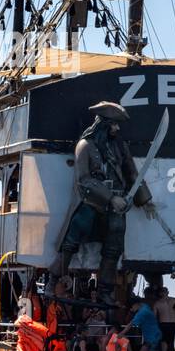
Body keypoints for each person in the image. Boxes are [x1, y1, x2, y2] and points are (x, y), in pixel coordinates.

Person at [58, 101, 153, 295]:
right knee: (75, 232)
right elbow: (83, 180)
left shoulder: (119, 146)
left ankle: (105, 291)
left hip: (117, 204)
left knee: (114, 245)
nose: (117, 128)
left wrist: (144, 200)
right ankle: (58, 278)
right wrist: (110, 198)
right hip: (92, 201)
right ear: (104, 124)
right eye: (114, 124)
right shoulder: (84, 146)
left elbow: (132, 173)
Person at [152, 283, 175, 351]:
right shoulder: (174, 300)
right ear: (168, 292)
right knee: (174, 347)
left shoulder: (157, 303)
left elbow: (154, 318)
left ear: (160, 293)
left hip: (163, 325)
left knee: (164, 347)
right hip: (173, 324)